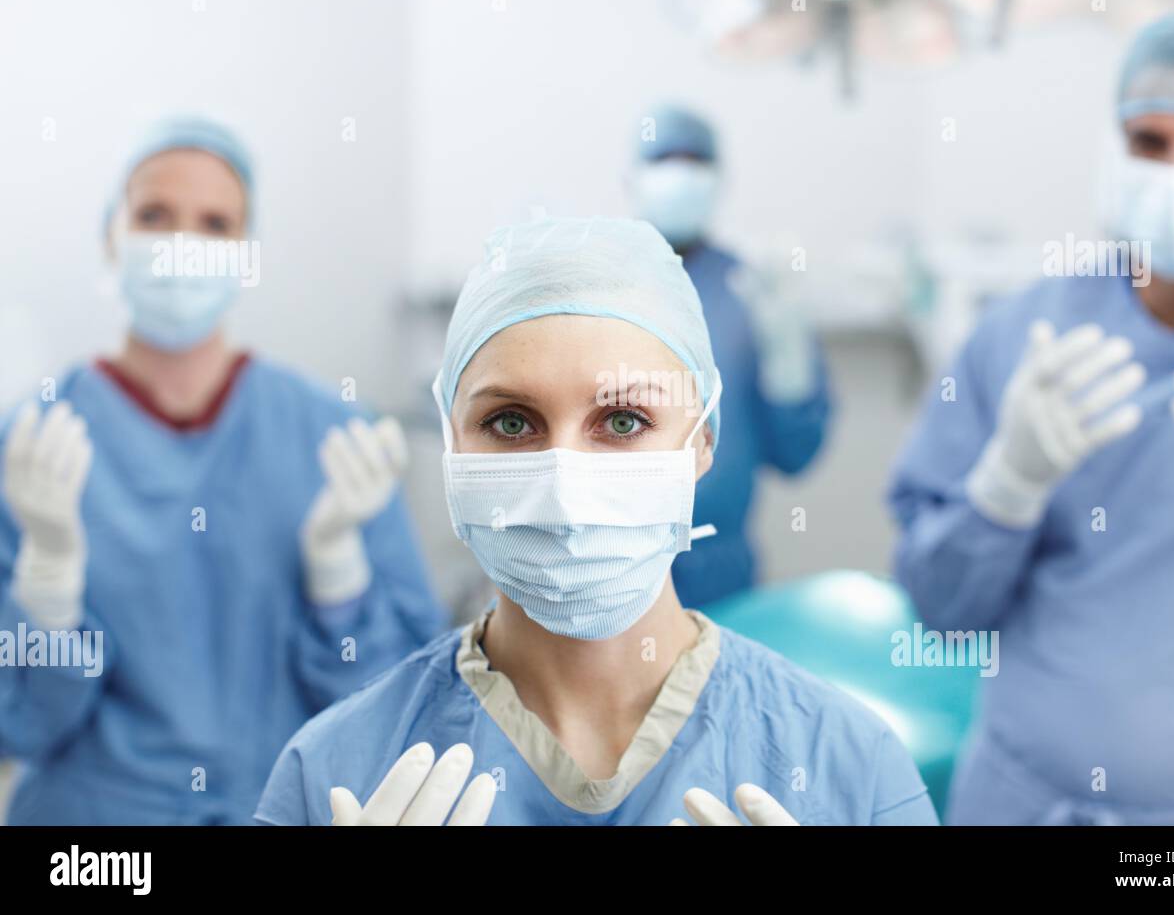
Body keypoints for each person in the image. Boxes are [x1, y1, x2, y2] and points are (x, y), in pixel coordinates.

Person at [256, 217, 936, 826]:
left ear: (702, 441)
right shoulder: (334, 773)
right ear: (452, 442)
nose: (565, 483)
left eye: (621, 421)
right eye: (512, 422)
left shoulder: (851, 769)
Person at [889, 8, 1174, 824]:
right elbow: (940, 611)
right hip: (1017, 800)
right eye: (1151, 142)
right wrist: (1003, 493)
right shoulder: (1022, 338)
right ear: (1117, 157)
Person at [0, 116, 447, 825]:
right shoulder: (30, 446)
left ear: (245, 255)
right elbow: (21, 728)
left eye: (214, 224)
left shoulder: (333, 440)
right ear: (109, 236)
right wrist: (48, 590)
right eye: (154, 215)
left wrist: (339, 587)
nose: (181, 245)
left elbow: (403, 715)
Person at [627, 106, 832, 607]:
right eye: (665, 158)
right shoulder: (603, 284)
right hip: (609, 571)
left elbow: (796, 453)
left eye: (694, 161)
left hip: (722, 577)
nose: (679, 173)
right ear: (635, 176)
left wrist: (788, 358)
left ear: (718, 179)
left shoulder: (753, 293)